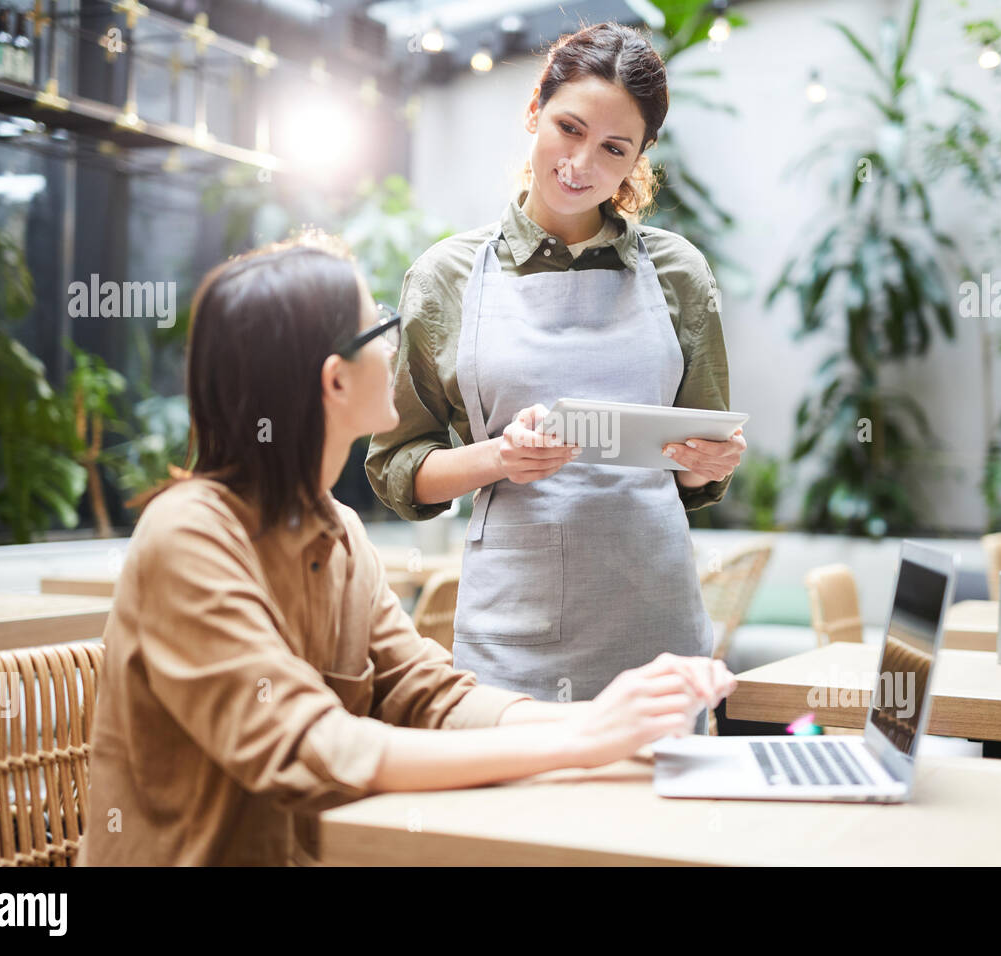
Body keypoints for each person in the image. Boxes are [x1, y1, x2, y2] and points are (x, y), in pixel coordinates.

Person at [76, 232, 735, 866]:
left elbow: (429, 695)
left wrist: (609, 719)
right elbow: (312, 745)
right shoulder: (189, 536)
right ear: (336, 381)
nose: (396, 341)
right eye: (378, 326)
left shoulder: (335, 532)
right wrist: (586, 740)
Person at [366, 23, 747, 717]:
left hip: (656, 633)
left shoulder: (680, 273)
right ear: (535, 108)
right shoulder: (445, 277)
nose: (581, 163)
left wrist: (707, 461)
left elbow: (692, 475)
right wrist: (499, 458)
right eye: (568, 128)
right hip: (511, 639)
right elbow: (398, 467)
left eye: (613, 149)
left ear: (639, 157)